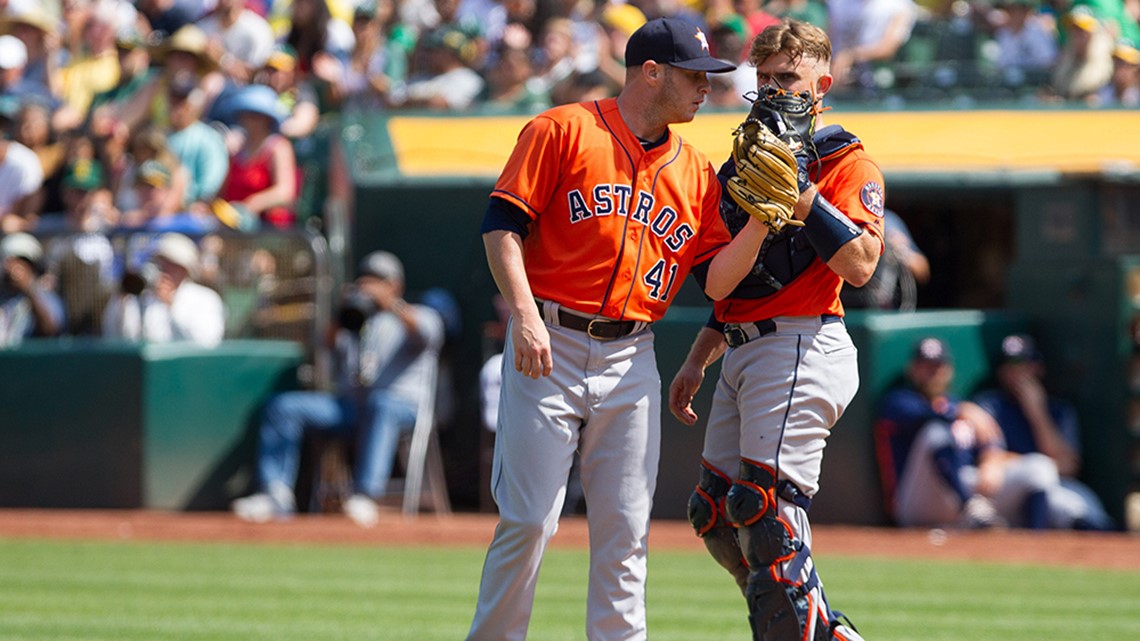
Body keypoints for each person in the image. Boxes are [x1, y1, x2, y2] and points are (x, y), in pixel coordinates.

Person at [465, 17, 770, 641]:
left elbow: (716, 282)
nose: (705, 90)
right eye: (694, 76)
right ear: (650, 72)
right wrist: (523, 313)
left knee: (626, 529)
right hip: (548, 343)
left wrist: (764, 223)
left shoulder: (695, 171)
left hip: (631, 356)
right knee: (527, 522)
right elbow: (501, 227)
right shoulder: (562, 129)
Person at [667, 20, 883, 641]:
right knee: (716, 513)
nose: (771, 90)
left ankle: (802, 625)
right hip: (743, 346)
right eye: (763, 78)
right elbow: (741, 281)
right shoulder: (737, 165)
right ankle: (802, 622)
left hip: (801, 342)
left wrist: (807, 199)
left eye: (787, 78)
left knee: (765, 515)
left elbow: (862, 266)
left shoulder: (847, 158)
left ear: (822, 85)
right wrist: (697, 357)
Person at [231, 250, 445, 527]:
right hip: (351, 408)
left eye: (378, 281)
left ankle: (365, 495)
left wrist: (389, 302)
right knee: (284, 407)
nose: (369, 287)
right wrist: (343, 311)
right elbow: (326, 345)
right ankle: (274, 493)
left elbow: (427, 333)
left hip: (401, 407)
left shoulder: (418, 314)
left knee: (381, 404)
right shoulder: (354, 320)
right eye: (365, 280)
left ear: (395, 285)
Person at [875, 336, 1060, 530]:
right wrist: (962, 410)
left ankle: (1035, 543)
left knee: (1040, 468)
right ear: (912, 370)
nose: (930, 373)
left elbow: (990, 438)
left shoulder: (959, 405)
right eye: (924, 366)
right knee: (935, 433)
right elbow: (928, 416)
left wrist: (991, 459)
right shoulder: (898, 401)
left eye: (936, 366)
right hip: (917, 500)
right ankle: (971, 508)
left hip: (964, 490)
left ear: (948, 371)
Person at [972, 333, 1115, 530]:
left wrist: (1037, 413)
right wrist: (1032, 464)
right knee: (1039, 469)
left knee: (1087, 512)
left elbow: (1068, 467)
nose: (1014, 372)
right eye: (1008, 365)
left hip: (1053, 486)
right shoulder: (990, 405)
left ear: (1037, 367)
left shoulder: (1059, 410)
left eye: (1021, 363)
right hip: (1005, 489)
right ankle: (1034, 546)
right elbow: (989, 460)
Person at [101, 231, 226, 347]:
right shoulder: (142, 297)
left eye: (171, 263)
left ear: (184, 269)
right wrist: (120, 301)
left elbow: (208, 343)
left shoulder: (206, 298)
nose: (163, 268)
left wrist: (171, 306)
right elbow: (114, 335)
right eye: (160, 262)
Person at [840, 208, 929, 310]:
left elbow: (923, 271)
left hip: (883, 304)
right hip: (845, 304)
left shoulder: (890, 221)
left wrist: (903, 251)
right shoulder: (845, 213)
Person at [0, 231, 64, 346]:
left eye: (23, 262)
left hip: (32, 362)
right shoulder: (3, 297)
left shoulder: (46, 296)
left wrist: (29, 289)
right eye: (11, 262)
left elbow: (50, 329)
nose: (15, 269)